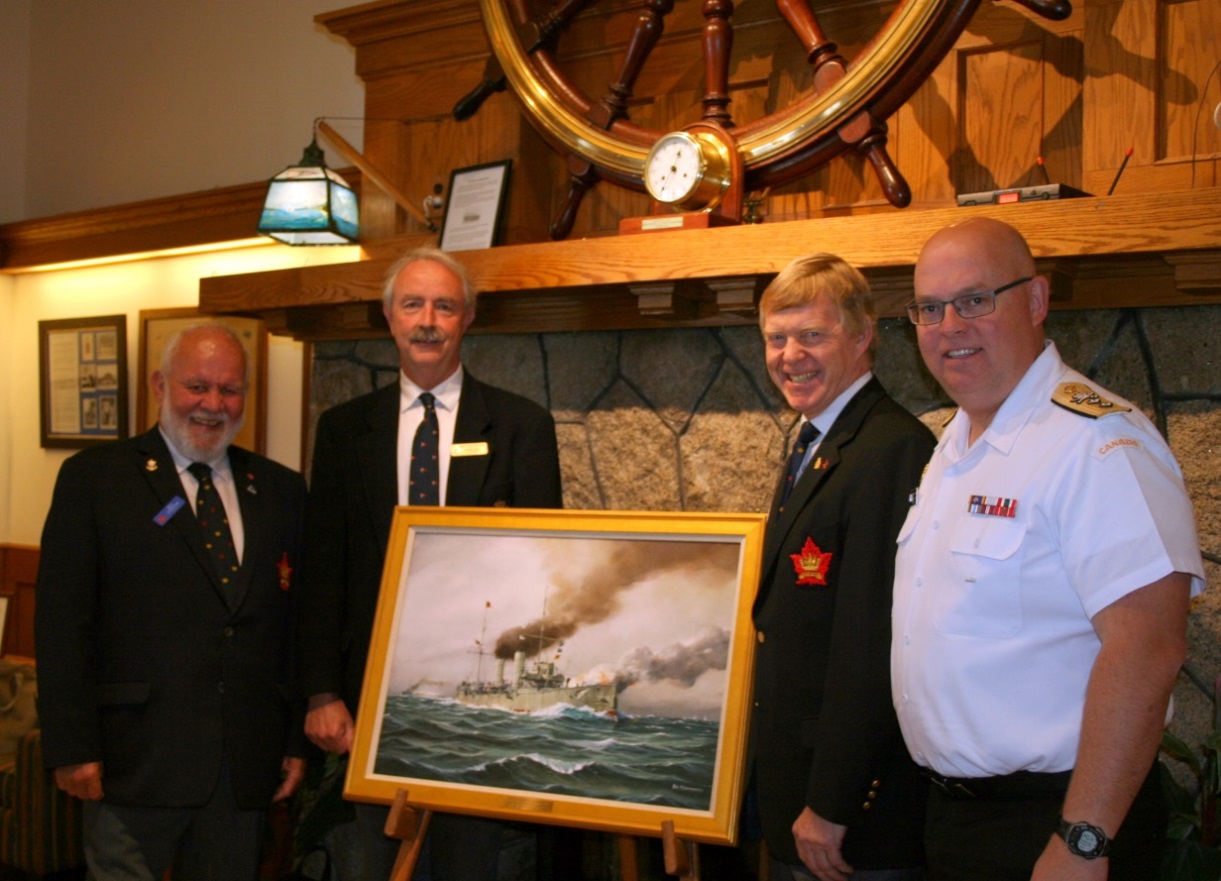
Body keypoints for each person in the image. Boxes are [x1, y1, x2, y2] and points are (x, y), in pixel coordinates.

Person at [892, 217, 1206, 881]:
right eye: (927, 307)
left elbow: (1148, 648)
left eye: (974, 299)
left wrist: (1082, 839)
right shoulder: (952, 445)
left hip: (1058, 822)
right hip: (955, 817)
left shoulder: (1095, 444)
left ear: (1035, 300)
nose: (949, 326)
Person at [298, 245, 563, 880]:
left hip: (480, 697)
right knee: (378, 861)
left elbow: (543, 566)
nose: (428, 320)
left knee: (470, 862)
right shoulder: (342, 430)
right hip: (368, 700)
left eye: (444, 306)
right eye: (412, 304)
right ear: (388, 316)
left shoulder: (522, 425)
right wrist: (320, 691)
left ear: (467, 318)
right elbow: (320, 571)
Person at [35, 323, 307, 881]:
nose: (213, 405)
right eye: (197, 386)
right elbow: (62, 625)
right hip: (132, 761)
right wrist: (71, 746)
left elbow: (295, 628)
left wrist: (293, 739)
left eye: (230, 390)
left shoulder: (279, 488)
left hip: (241, 769)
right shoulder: (95, 480)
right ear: (160, 385)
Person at [751, 253, 935, 881]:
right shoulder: (817, 438)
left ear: (862, 337)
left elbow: (872, 644)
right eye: (776, 338)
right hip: (797, 787)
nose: (790, 354)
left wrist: (833, 802)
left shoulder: (891, 448)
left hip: (847, 816)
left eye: (811, 335)